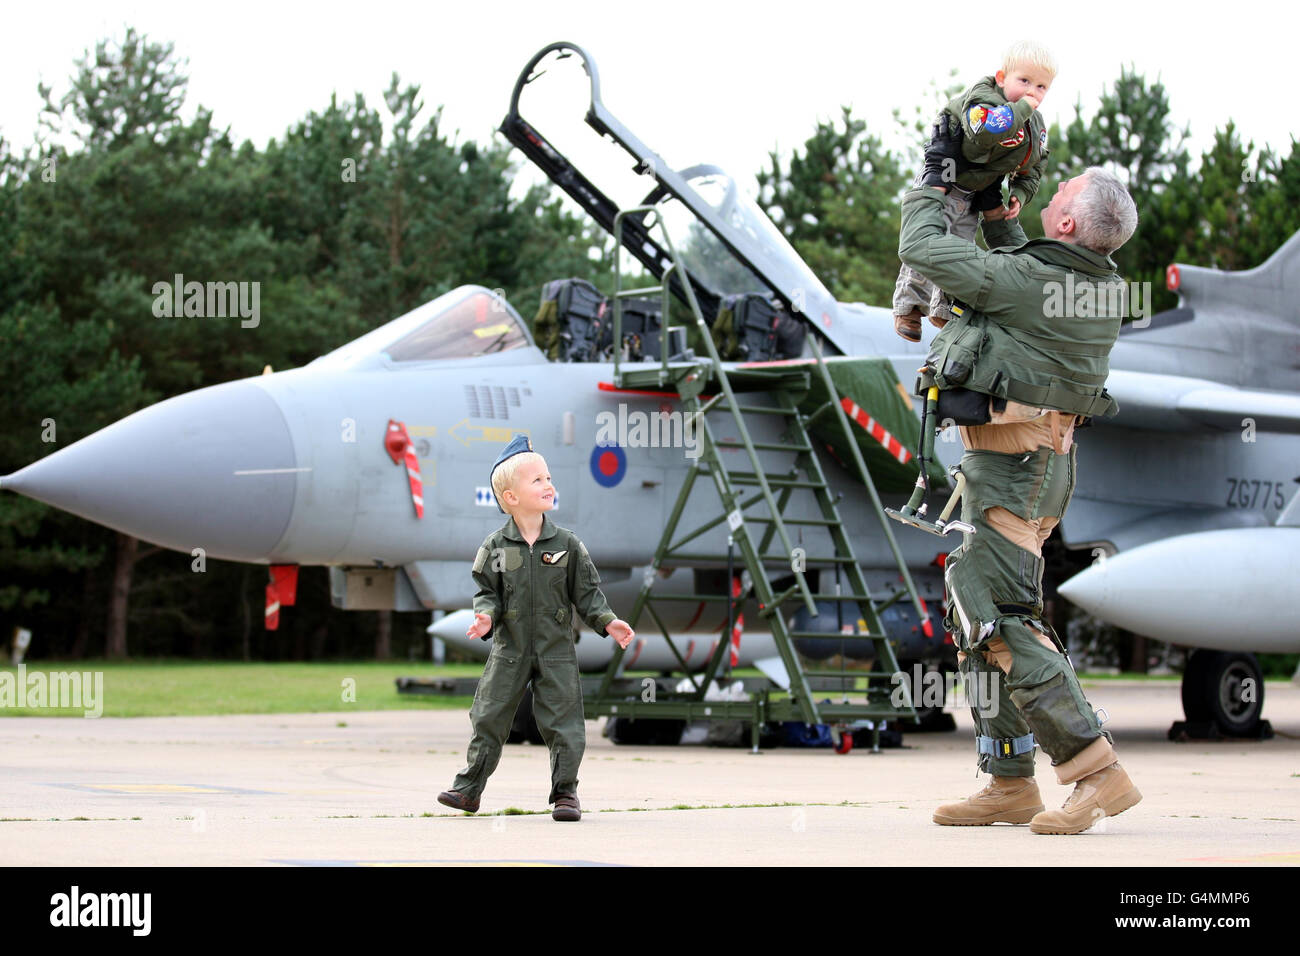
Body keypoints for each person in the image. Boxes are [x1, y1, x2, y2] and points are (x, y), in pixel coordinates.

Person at [896, 122, 1142, 834]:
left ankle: (1096, 772)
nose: (1052, 185)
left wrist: (937, 184)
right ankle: (1009, 779)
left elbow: (922, 249)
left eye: (1060, 190)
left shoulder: (1037, 283)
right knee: (977, 621)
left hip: (1015, 470)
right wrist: (1003, 221)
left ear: (1065, 220)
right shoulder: (1092, 286)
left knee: (999, 620)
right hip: (1026, 467)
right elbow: (1025, 286)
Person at [437, 435, 634, 822]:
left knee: (563, 720)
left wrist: (608, 621)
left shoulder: (568, 545)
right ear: (510, 497)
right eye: (537, 480)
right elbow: (486, 592)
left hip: (556, 648)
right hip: (509, 649)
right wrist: (486, 617)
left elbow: (588, 594)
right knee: (488, 716)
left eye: (548, 478)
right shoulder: (495, 546)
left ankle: (565, 794)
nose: (549, 485)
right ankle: (468, 790)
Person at [892, 40, 1056, 343]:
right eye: (1025, 81)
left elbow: (1035, 162)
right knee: (927, 242)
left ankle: (942, 307)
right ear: (1002, 77)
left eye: (1042, 86)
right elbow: (985, 131)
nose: (1033, 92)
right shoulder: (984, 100)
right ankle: (908, 307)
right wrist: (1020, 108)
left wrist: (1020, 191)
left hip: (973, 192)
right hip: (943, 178)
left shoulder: (1035, 123)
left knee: (957, 247)